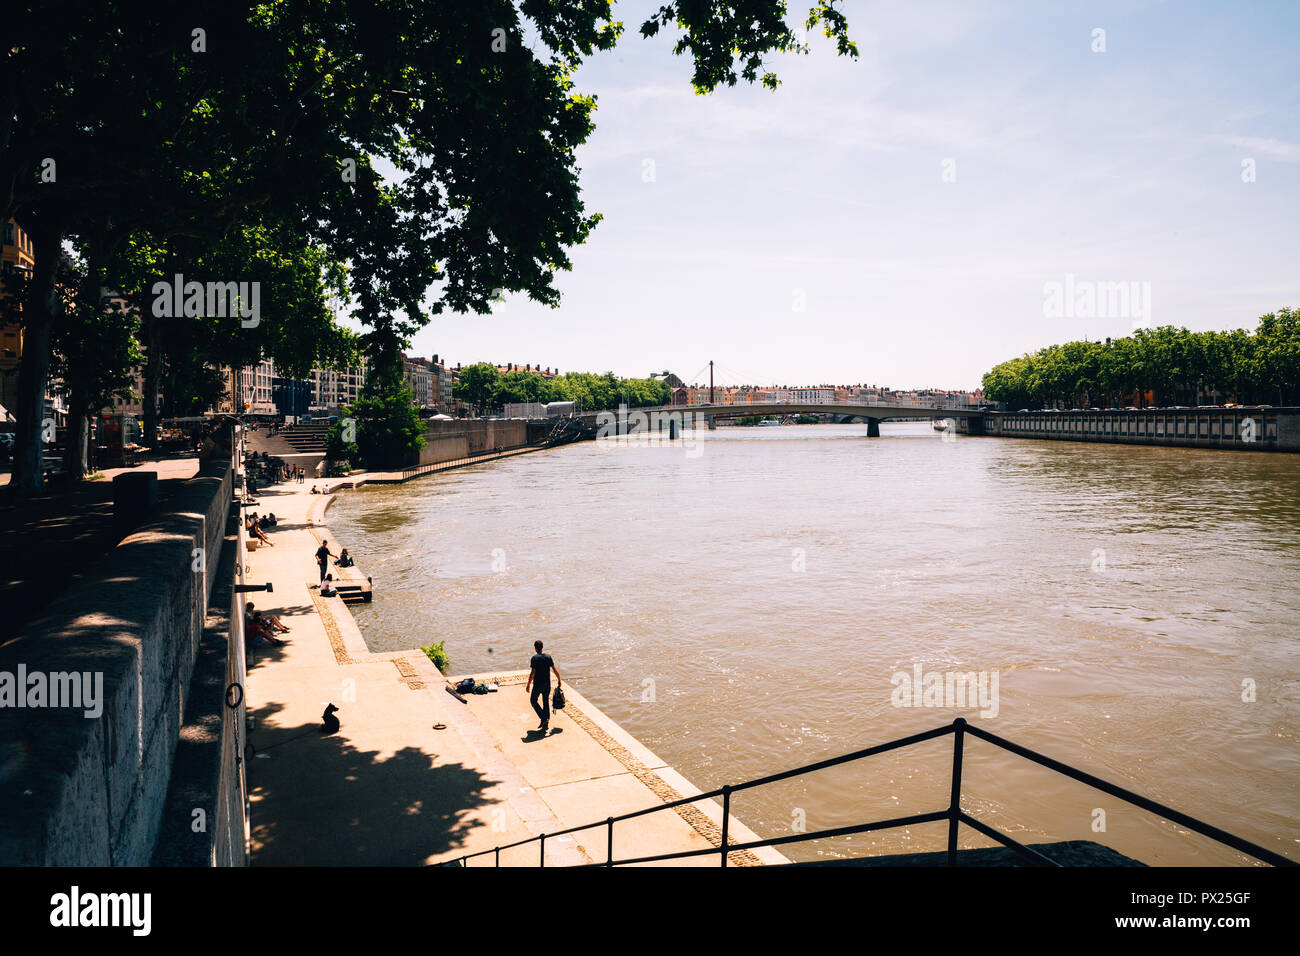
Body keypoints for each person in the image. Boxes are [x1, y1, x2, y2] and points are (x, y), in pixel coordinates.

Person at [525, 640, 562, 734]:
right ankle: (546, 722)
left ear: (535, 648)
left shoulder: (534, 658)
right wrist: (559, 679)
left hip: (537, 684)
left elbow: (532, 673)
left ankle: (543, 717)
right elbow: (554, 669)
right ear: (542, 647)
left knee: (533, 701)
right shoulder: (548, 657)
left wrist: (528, 684)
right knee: (545, 702)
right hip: (547, 684)